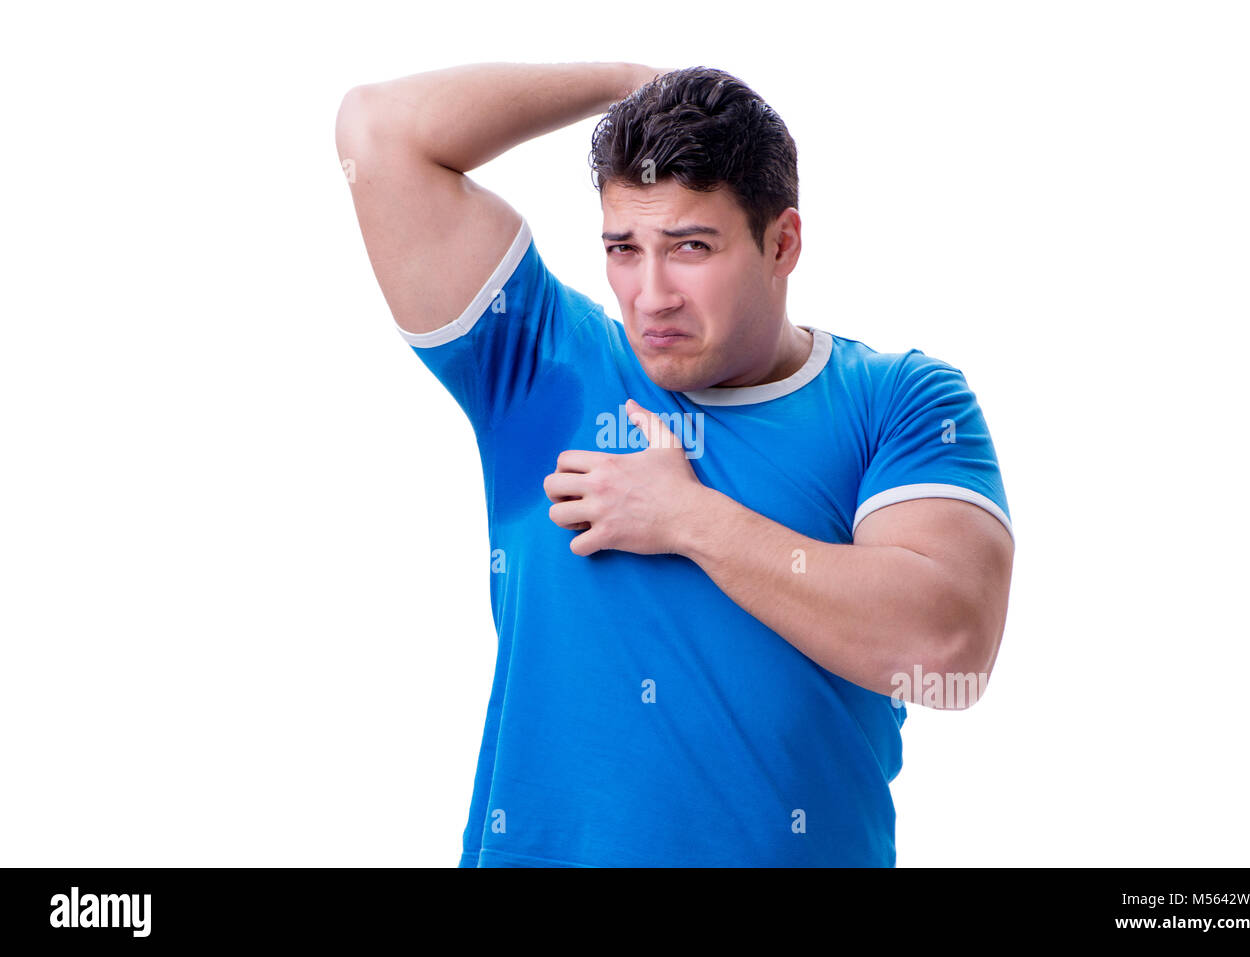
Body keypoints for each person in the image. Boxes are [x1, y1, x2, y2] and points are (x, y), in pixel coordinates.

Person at [334, 62, 1014, 867]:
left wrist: (686, 519)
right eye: (624, 248)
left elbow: (946, 650)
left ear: (782, 242)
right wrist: (633, 82)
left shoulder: (895, 399)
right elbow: (377, 135)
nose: (650, 294)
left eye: (691, 246)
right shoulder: (542, 364)